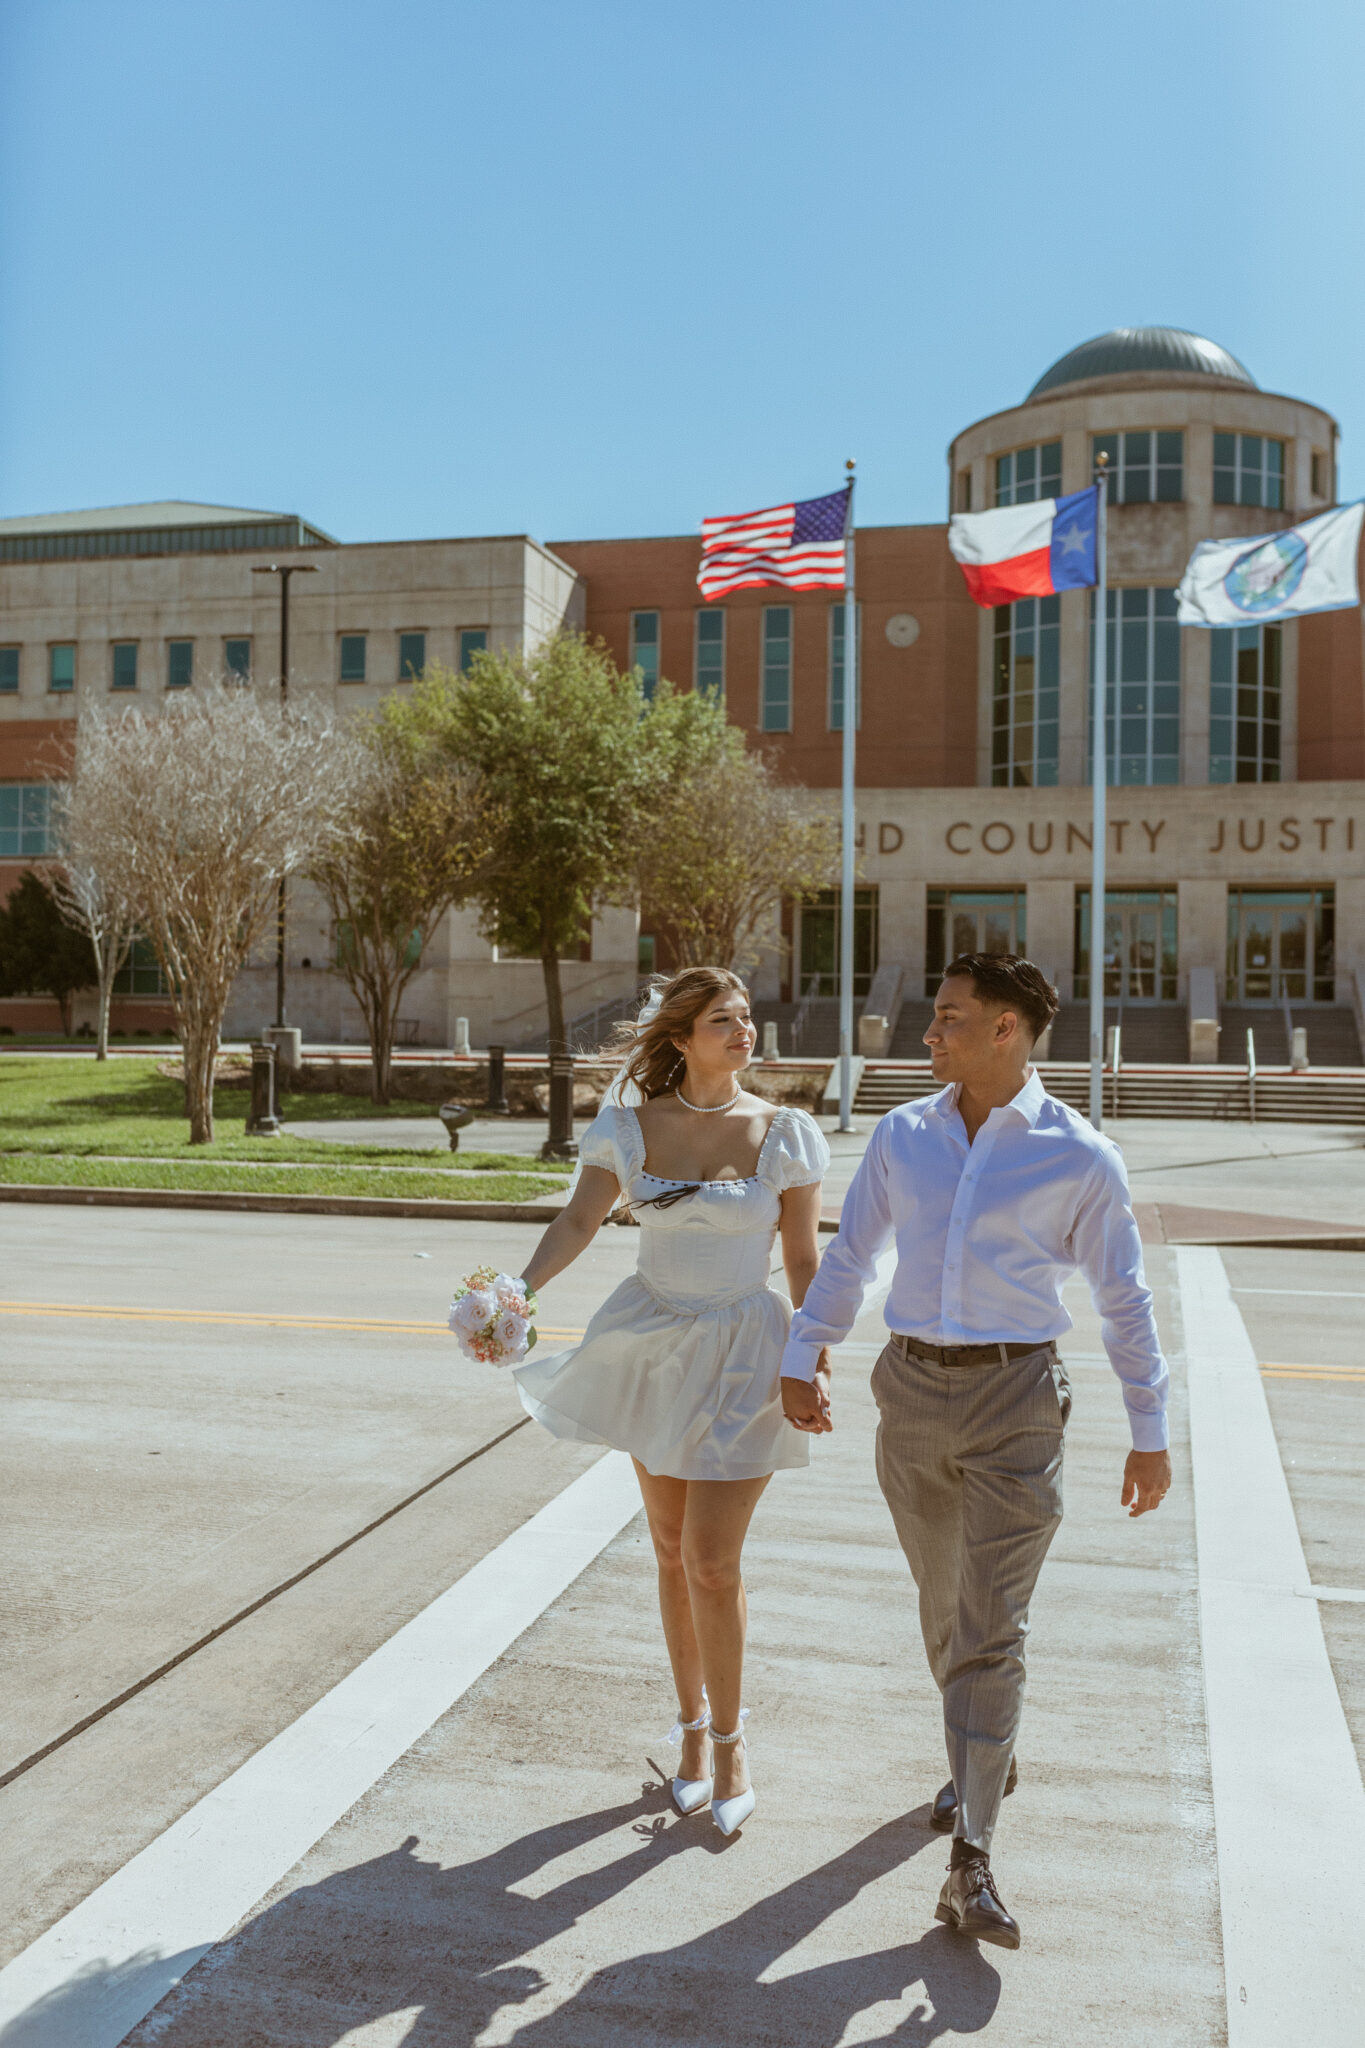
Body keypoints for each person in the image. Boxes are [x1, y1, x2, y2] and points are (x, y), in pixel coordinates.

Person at [779, 953, 1170, 1949]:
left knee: (995, 1625)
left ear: (1005, 1030)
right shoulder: (905, 1134)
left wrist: (1149, 1427)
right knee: (945, 1606)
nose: (929, 1032)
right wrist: (802, 1349)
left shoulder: (1079, 1154)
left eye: (948, 1017)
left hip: (1016, 1397)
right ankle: (984, 1746)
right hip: (908, 1391)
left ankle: (974, 1855)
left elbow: (1123, 1297)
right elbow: (854, 1252)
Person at [513, 966, 829, 1836]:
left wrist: (814, 1353)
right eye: (724, 1020)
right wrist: (519, 1293)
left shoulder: (784, 1132)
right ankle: (689, 1733)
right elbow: (578, 1221)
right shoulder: (626, 1125)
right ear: (682, 1037)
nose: (744, 1031)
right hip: (652, 1345)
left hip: (744, 1349)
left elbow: (802, 1259)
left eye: (747, 1018)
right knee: (666, 1549)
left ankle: (731, 1745)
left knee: (710, 1559)